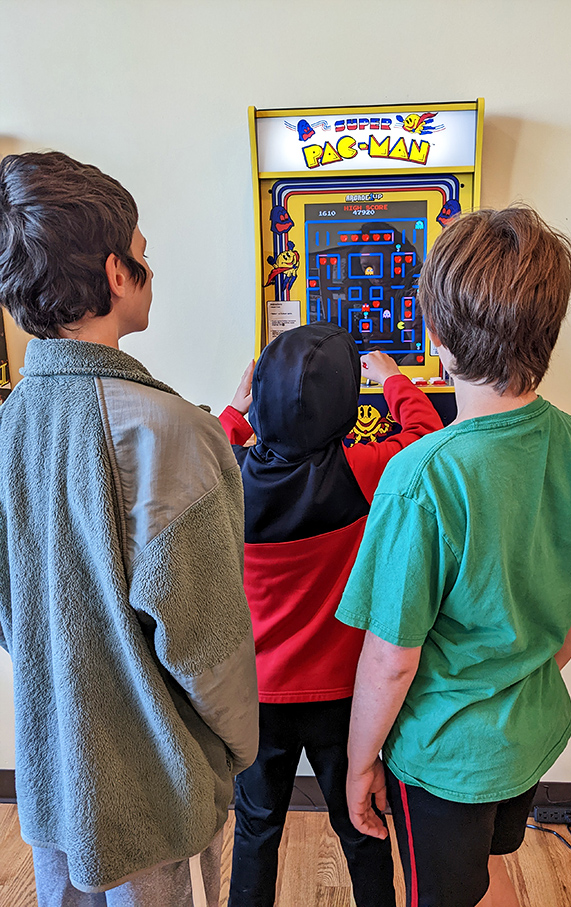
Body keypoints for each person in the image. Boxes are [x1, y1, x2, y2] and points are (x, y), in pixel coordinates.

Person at [0, 151, 258, 907]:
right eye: (144, 255)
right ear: (116, 273)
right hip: (157, 784)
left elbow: (14, 617)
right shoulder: (172, 432)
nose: (150, 268)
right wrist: (240, 745)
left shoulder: (10, 426)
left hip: (54, 775)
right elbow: (208, 648)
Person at [337, 206, 571, 907]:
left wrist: (357, 760)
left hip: (443, 758)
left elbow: (391, 657)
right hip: (532, 728)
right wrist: (518, 678)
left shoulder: (420, 475)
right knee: (486, 865)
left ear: (437, 339)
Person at [218, 322, 443, 907]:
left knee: (256, 829)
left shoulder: (227, 479)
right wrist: (393, 380)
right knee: (360, 823)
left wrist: (237, 408)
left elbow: (211, 446)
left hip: (258, 698)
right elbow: (427, 433)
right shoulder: (363, 470)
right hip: (343, 697)